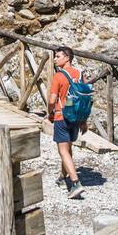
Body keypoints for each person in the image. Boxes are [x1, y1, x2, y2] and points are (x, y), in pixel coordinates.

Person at [48, 46, 87, 199]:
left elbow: (52, 100)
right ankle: (62, 177)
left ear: (67, 58)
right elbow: (84, 99)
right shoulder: (80, 74)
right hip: (76, 118)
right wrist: (84, 121)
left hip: (62, 117)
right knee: (68, 148)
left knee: (63, 150)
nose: (55, 59)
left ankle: (75, 183)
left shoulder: (58, 76)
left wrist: (49, 112)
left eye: (58, 56)